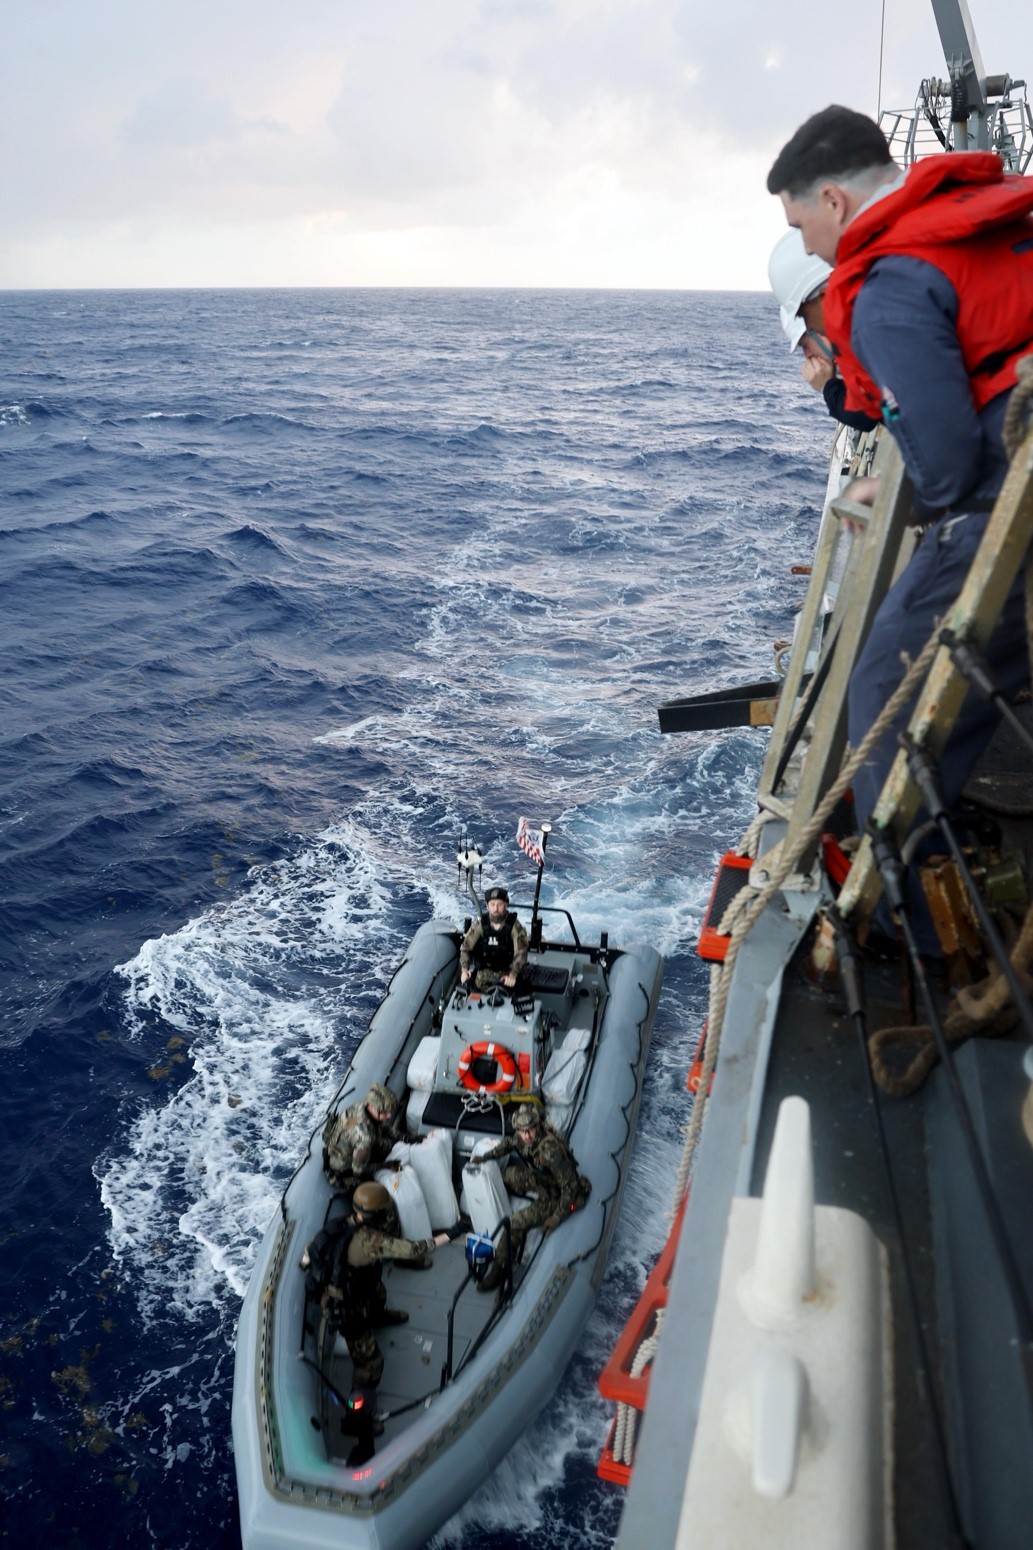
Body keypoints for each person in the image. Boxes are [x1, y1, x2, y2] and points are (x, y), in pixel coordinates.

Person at [767, 105, 1033, 948]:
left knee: (884, 677)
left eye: (801, 221)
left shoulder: (885, 285)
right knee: (993, 656)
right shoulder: (977, 224)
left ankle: (907, 924)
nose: (807, 243)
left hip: (1013, 484)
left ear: (835, 201)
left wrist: (904, 485)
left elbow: (950, 471)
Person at [304, 1181, 450, 1465]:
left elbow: (310, 1255)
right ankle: (357, 1422)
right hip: (346, 1308)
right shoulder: (369, 1240)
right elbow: (414, 1249)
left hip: (350, 1290)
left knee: (378, 1290)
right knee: (370, 1363)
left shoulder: (338, 1225)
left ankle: (378, 1314)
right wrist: (449, 1235)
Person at [768, 228, 879, 432]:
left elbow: (865, 414)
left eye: (805, 344)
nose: (807, 355)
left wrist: (828, 386)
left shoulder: (874, 333)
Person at [474, 1103, 590, 1292]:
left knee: (514, 1223)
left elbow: (570, 1187)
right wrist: (486, 1157)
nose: (527, 1136)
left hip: (555, 1195)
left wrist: (556, 1217)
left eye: (530, 1130)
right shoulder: (523, 1139)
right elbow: (508, 1144)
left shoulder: (550, 1151)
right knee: (508, 1175)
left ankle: (497, 1271)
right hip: (542, 1178)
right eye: (522, 1131)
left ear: (538, 1127)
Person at [322, 1082, 402, 1189]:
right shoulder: (366, 1138)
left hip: (342, 1150)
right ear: (373, 1108)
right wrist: (387, 1165)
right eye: (385, 1112)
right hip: (346, 1168)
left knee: (386, 1144)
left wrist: (406, 1138)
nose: (389, 1115)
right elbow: (359, 1170)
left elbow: (378, 1127)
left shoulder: (361, 1106)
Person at [459, 885, 528, 990]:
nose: (496, 909)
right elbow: (466, 948)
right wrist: (464, 970)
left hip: (507, 975)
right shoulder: (480, 925)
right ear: (487, 906)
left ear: (506, 904)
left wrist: (513, 975)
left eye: (500, 904)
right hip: (482, 976)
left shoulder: (514, 926)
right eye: (492, 904)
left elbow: (521, 952)